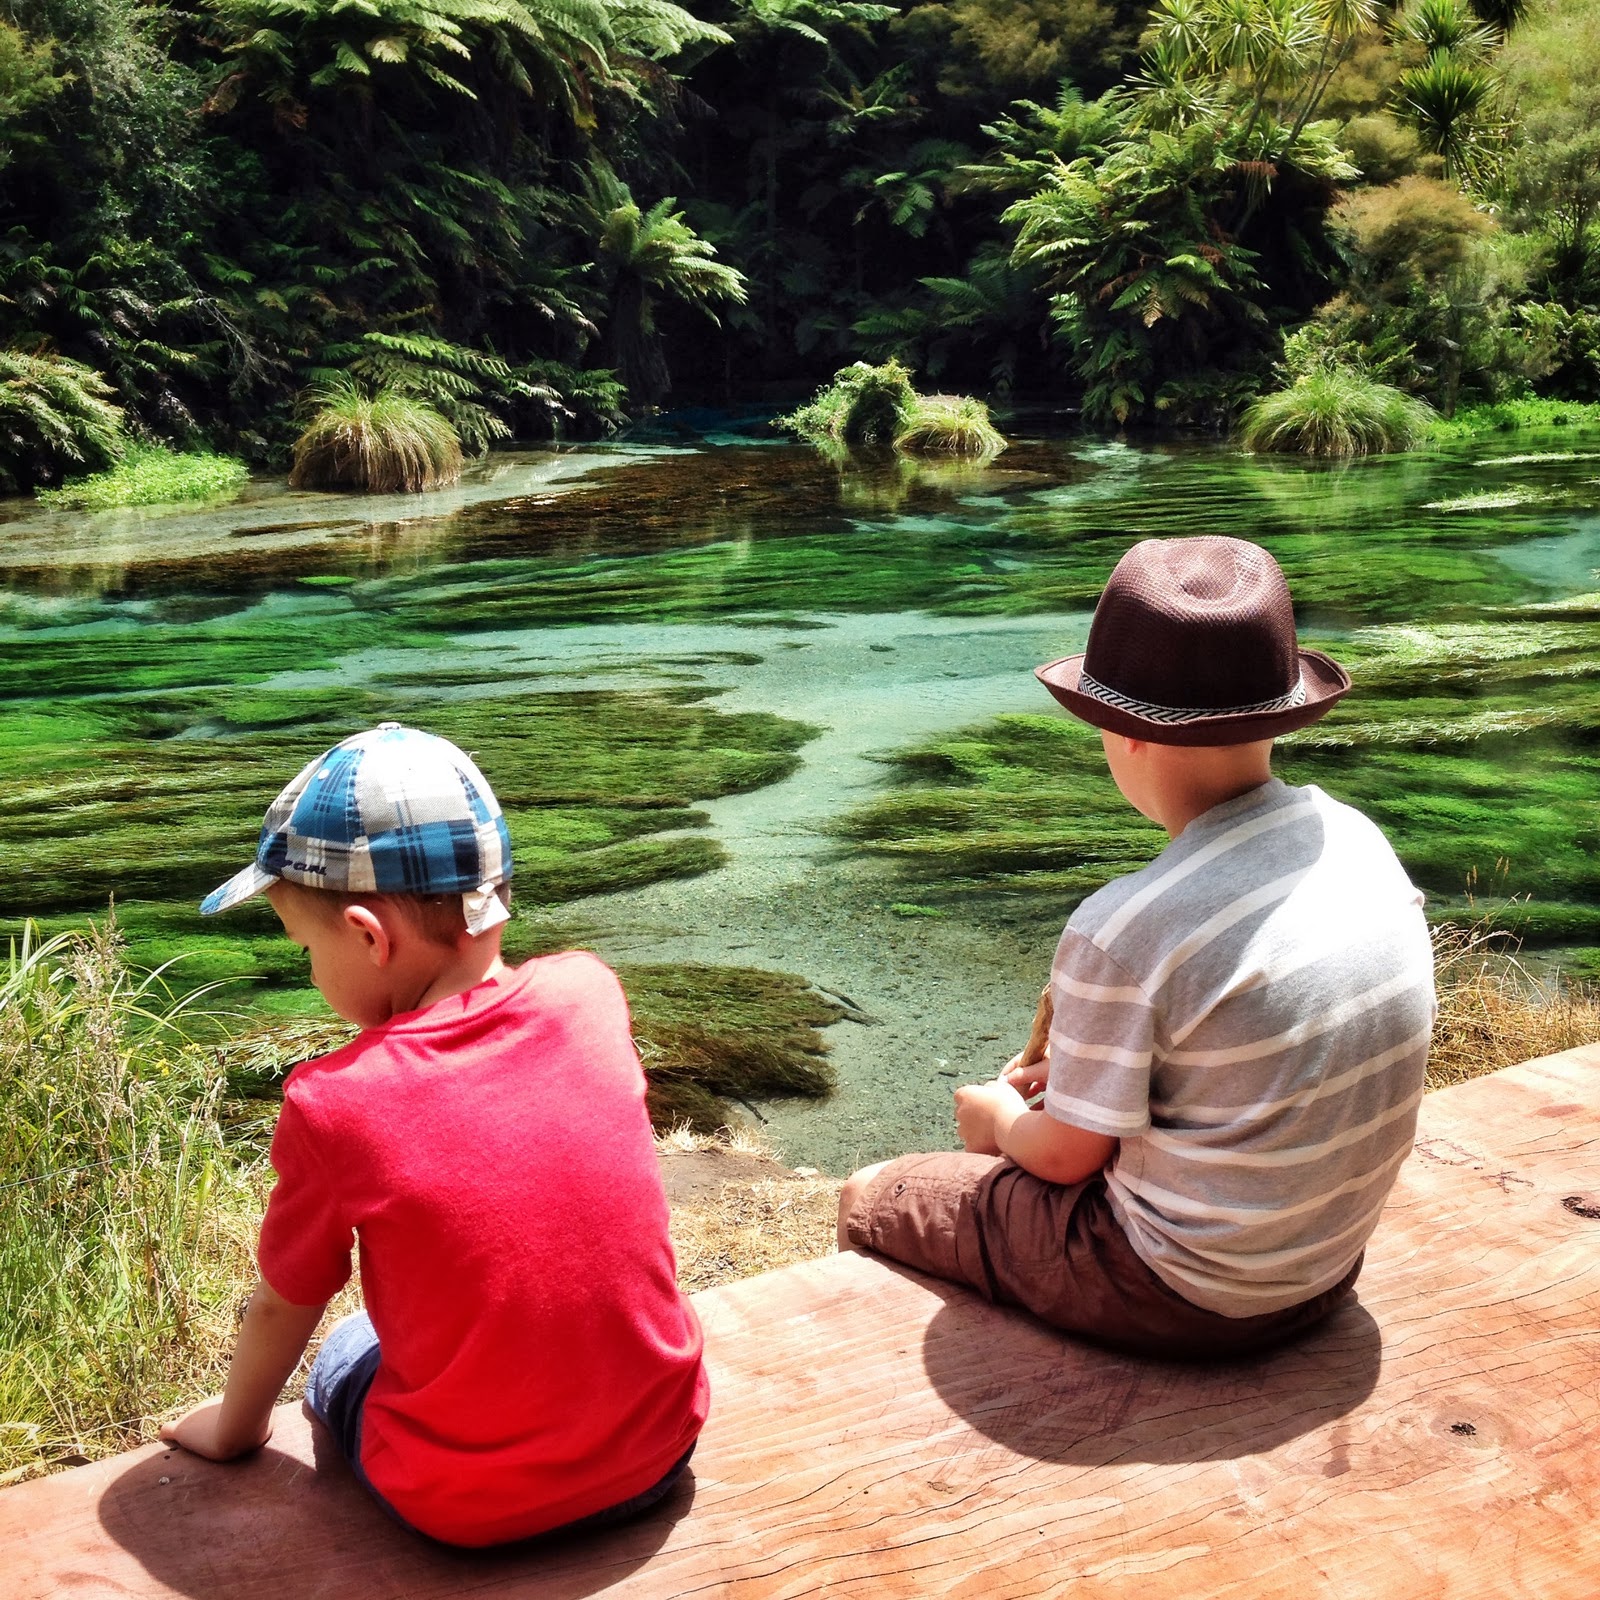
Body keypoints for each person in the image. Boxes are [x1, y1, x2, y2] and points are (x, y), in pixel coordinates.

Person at [837, 536, 1436, 1358]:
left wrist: (1001, 1120)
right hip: (1324, 1268)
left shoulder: (1123, 926)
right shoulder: (1357, 840)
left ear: (1126, 737)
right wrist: (1091, 1079)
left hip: (1179, 1292)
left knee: (875, 1194)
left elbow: (1063, 1161)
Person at [161, 722, 708, 1546]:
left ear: (369, 938)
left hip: (467, 1506)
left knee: (349, 1342)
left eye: (306, 948)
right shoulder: (591, 992)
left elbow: (286, 1302)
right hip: (660, 1451)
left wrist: (234, 1432)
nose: (311, 974)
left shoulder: (333, 1100)